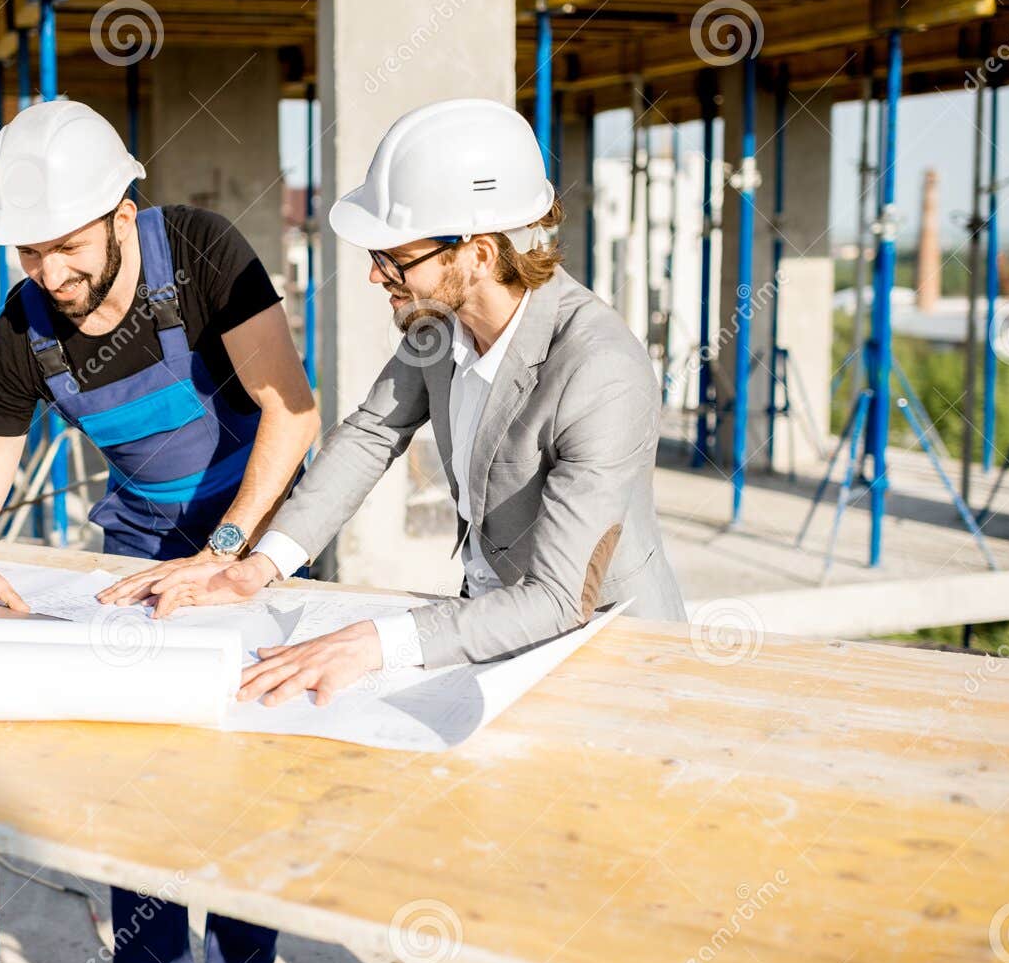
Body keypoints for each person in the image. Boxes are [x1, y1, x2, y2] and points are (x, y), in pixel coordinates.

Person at [106, 96, 686, 705]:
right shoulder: (439, 324)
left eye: (395, 258)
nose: (376, 276)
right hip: (493, 634)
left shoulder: (600, 373)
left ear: (479, 254)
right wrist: (259, 565)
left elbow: (558, 598)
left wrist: (369, 644)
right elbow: (370, 434)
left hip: (611, 657)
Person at [0, 99, 318, 963]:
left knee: (245, 770)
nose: (49, 272)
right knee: (132, 783)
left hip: (251, 536)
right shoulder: (23, 329)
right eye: (28, 252)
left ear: (117, 213)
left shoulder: (203, 253)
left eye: (67, 245)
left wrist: (224, 553)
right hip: (136, 549)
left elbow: (293, 413)